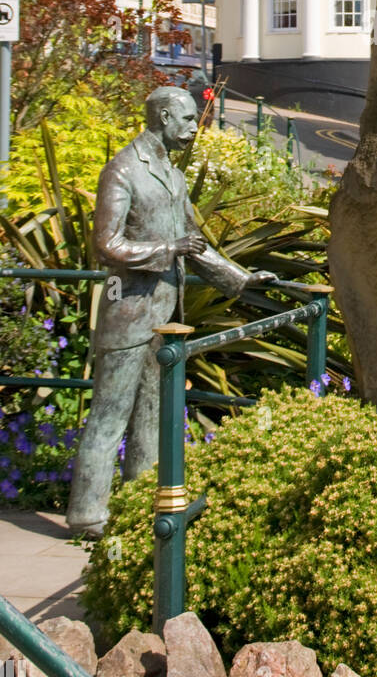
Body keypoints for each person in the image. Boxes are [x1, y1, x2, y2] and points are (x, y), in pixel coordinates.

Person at [66, 86, 278, 538]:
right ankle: (88, 516)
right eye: (186, 121)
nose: (192, 130)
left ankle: (140, 506)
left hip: (165, 315)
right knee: (110, 414)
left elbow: (194, 243)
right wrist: (169, 248)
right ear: (163, 116)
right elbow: (106, 245)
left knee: (151, 417)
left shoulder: (174, 176)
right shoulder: (122, 169)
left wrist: (241, 278)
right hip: (128, 314)